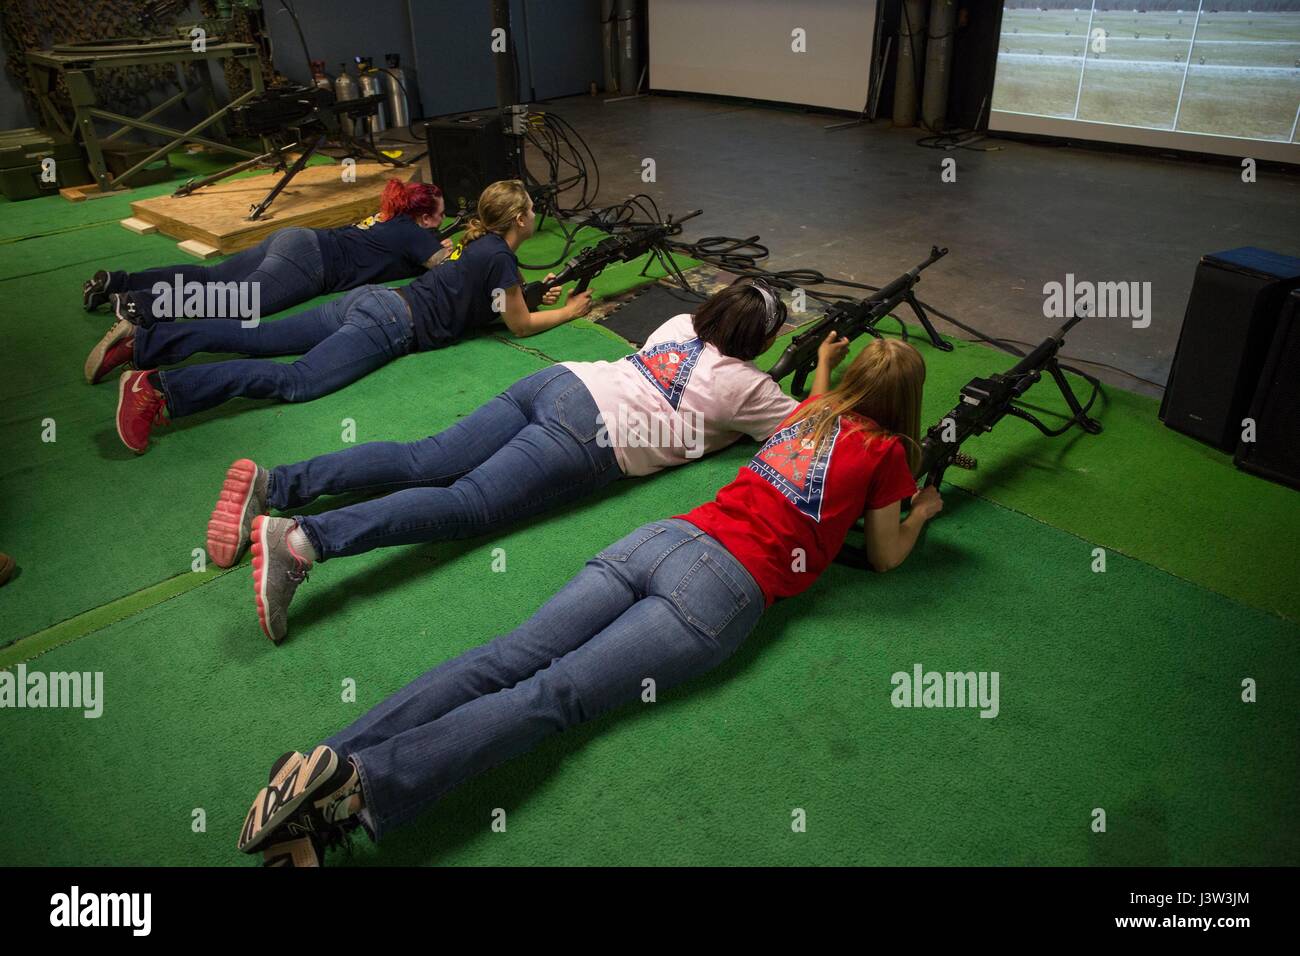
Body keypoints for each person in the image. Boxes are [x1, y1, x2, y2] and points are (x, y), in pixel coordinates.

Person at [233, 336, 942, 866]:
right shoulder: (886, 457)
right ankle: (361, 787)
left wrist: (827, 361)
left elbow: (828, 403)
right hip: (720, 587)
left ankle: (329, 760)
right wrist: (922, 511)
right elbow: (883, 556)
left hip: (662, 538)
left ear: (845, 383)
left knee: (504, 657)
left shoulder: (808, 414)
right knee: (555, 697)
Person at [211, 276, 839, 645]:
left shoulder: (677, 323)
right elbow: (808, 430)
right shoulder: (751, 391)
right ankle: (303, 542)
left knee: (426, 456)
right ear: (759, 340)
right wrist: (827, 370)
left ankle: (279, 484)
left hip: (558, 383)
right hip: (590, 436)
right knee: (464, 505)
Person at [109, 180, 590, 454]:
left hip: (368, 300)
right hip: (391, 324)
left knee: (260, 333)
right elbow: (520, 325)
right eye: (530, 209)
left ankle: (149, 340)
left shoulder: (482, 247)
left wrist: (528, 293)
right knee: (296, 381)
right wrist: (570, 311)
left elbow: (485, 302)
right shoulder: (499, 259)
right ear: (521, 219)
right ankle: (157, 389)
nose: (533, 215)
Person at [83, 179, 450, 384]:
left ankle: (120, 283)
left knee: (213, 277)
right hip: (309, 263)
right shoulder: (415, 233)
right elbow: (448, 268)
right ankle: (141, 307)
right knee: (239, 302)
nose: (443, 217)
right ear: (425, 217)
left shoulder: (391, 219)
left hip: (296, 239)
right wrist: (449, 247)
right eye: (441, 213)